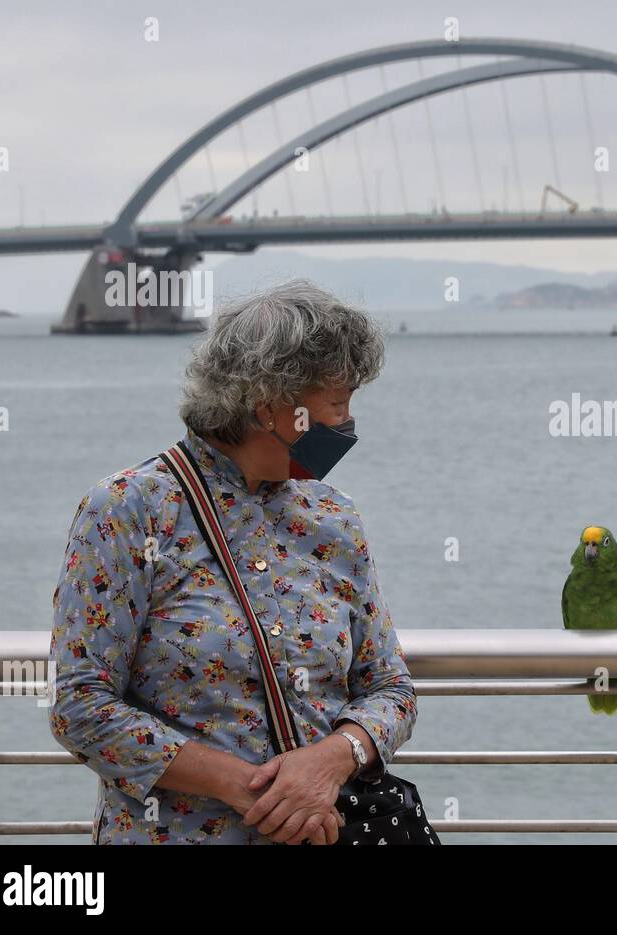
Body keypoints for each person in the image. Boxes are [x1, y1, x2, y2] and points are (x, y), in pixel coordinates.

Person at [49, 280, 415, 844]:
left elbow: (391, 688)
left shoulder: (334, 518)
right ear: (270, 404)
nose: (347, 423)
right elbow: (81, 708)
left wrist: (332, 760)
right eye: (337, 402)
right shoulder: (129, 509)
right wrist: (251, 788)